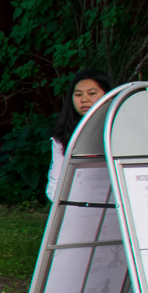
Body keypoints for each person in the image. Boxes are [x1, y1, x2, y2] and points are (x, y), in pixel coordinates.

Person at [47, 70, 111, 201]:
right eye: (78, 94)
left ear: (108, 96)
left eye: (92, 93)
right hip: (77, 202)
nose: (84, 99)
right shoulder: (63, 136)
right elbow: (56, 183)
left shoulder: (120, 129)